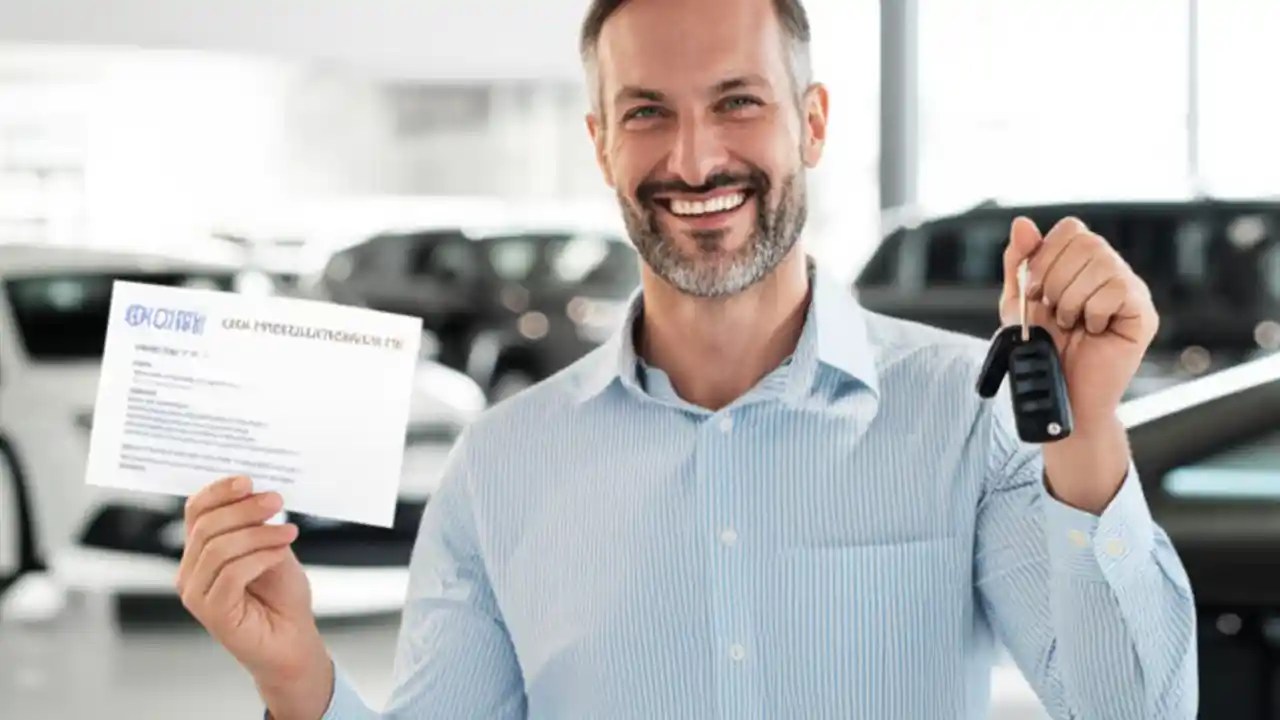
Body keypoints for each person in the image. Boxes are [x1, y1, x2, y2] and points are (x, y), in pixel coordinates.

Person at [175, 0, 1199, 717]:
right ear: (599, 143)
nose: (694, 158)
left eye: (737, 102)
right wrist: (297, 681)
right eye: (646, 112)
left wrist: (1087, 428)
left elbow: (1136, 712)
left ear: (812, 122)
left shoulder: (965, 418)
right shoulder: (500, 466)